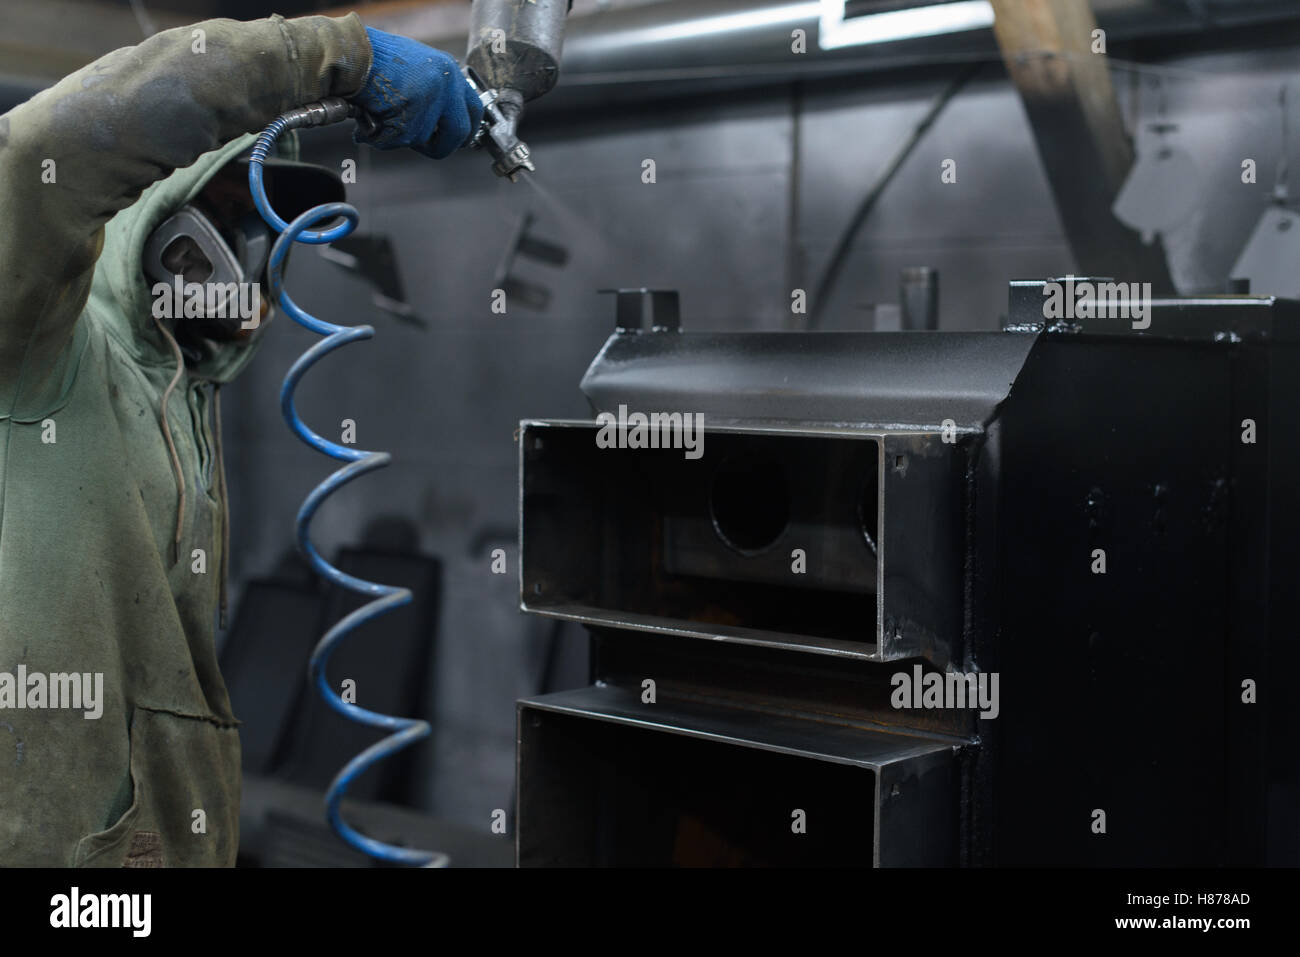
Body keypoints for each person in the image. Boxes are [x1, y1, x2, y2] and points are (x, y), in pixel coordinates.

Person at [0, 13, 481, 866]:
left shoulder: (185, 387)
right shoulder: (43, 345)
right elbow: (40, 156)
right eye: (220, 214)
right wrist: (340, 61)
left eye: (254, 227)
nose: (241, 251)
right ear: (152, 220)